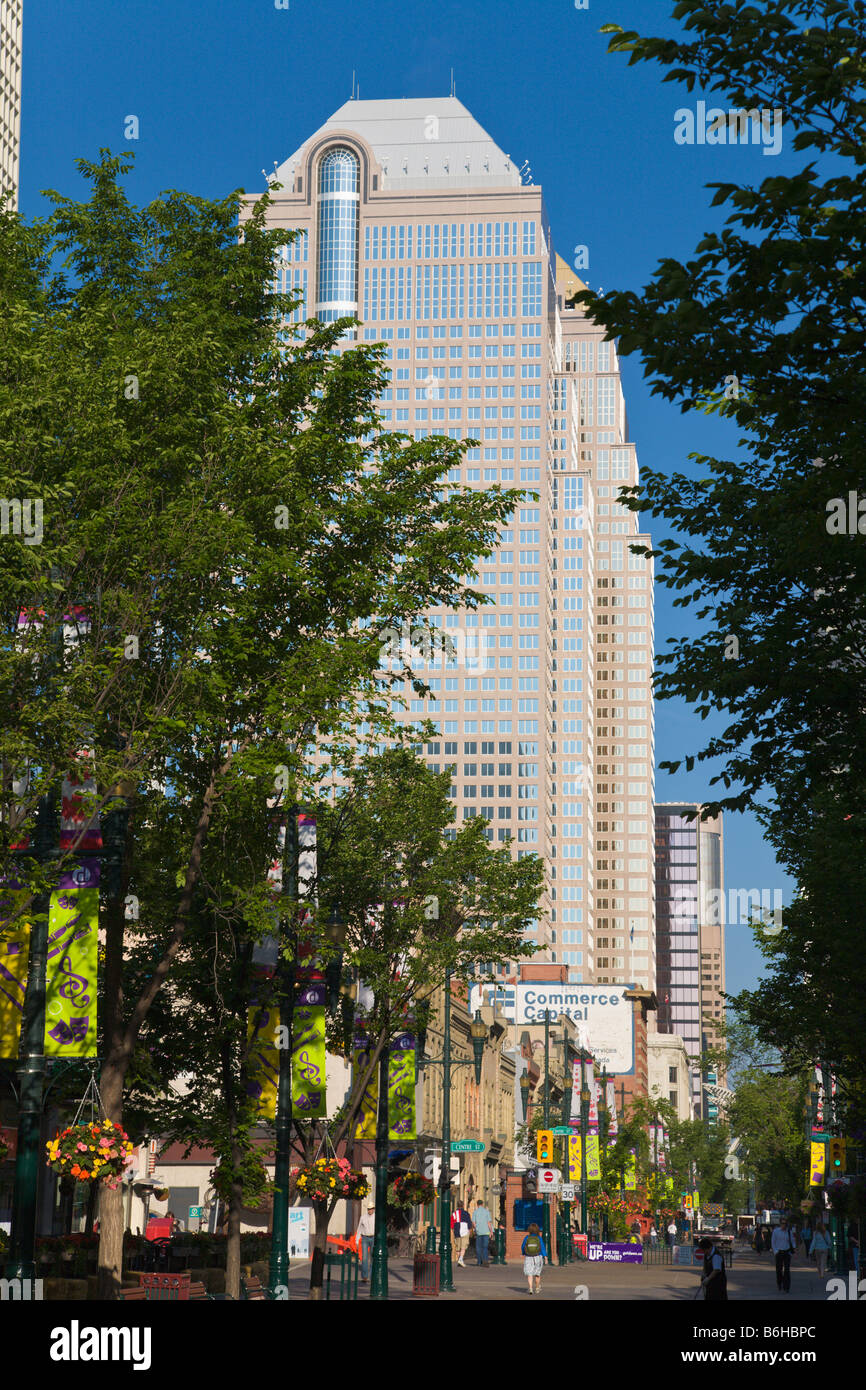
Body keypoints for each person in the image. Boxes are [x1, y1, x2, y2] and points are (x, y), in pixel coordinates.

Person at [698, 1236, 728, 1300]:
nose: (703, 1252)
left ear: (708, 1248)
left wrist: (708, 1279)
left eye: (703, 1250)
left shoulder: (716, 1256)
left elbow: (716, 1270)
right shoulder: (707, 1254)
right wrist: (703, 1274)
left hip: (718, 1283)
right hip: (710, 1283)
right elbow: (705, 1265)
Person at [771, 1216, 796, 1293]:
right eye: (782, 1223)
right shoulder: (776, 1231)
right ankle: (779, 1283)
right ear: (780, 1223)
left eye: (785, 1224)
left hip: (787, 1252)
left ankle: (786, 1286)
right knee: (779, 1270)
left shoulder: (789, 1231)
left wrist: (793, 1250)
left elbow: (792, 1241)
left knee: (787, 1270)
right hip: (779, 1252)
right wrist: (775, 1251)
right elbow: (773, 1242)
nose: (784, 1225)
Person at [521, 1222, 547, 1295]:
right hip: (538, 1257)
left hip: (529, 1257)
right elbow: (542, 1248)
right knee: (537, 1274)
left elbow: (523, 1247)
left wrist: (524, 1253)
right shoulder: (539, 1238)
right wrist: (545, 1256)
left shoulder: (526, 1238)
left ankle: (530, 1288)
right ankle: (537, 1288)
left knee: (530, 1274)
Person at [356, 1203, 375, 1282]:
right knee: (364, 1258)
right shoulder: (363, 1217)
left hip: (373, 1237)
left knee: (373, 1258)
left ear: (373, 1209)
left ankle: (371, 1276)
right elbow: (359, 1229)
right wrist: (357, 1240)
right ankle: (364, 1276)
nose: (370, 1210)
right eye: (368, 1209)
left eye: (371, 1209)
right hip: (365, 1238)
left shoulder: (376, 1217)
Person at [472, 1199, 494, 1266]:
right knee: (485, 1247)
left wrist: (476, 1228)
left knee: (478, 1247)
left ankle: (479, 1262)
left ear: (477, 1204)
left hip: (479, 1232)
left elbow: (473, 1222)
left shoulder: (475, 1212)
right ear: (482, 1204)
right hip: (486, 1232)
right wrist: (491, 1231)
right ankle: (485, 1260)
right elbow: (488, 1222)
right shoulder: (486, 1212)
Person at [451, 1202, 472, 1267]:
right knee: (463, 1246)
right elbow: (469, 1224)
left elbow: (451, 1224)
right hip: (464, 1230)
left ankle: (460, 1260)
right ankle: (460, 1259)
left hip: (457, 1230)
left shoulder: (454, 1213)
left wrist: (453, 1230)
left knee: (458, 1247)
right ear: (463, 1206)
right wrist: (469, 1230)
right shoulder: (466, 1213)